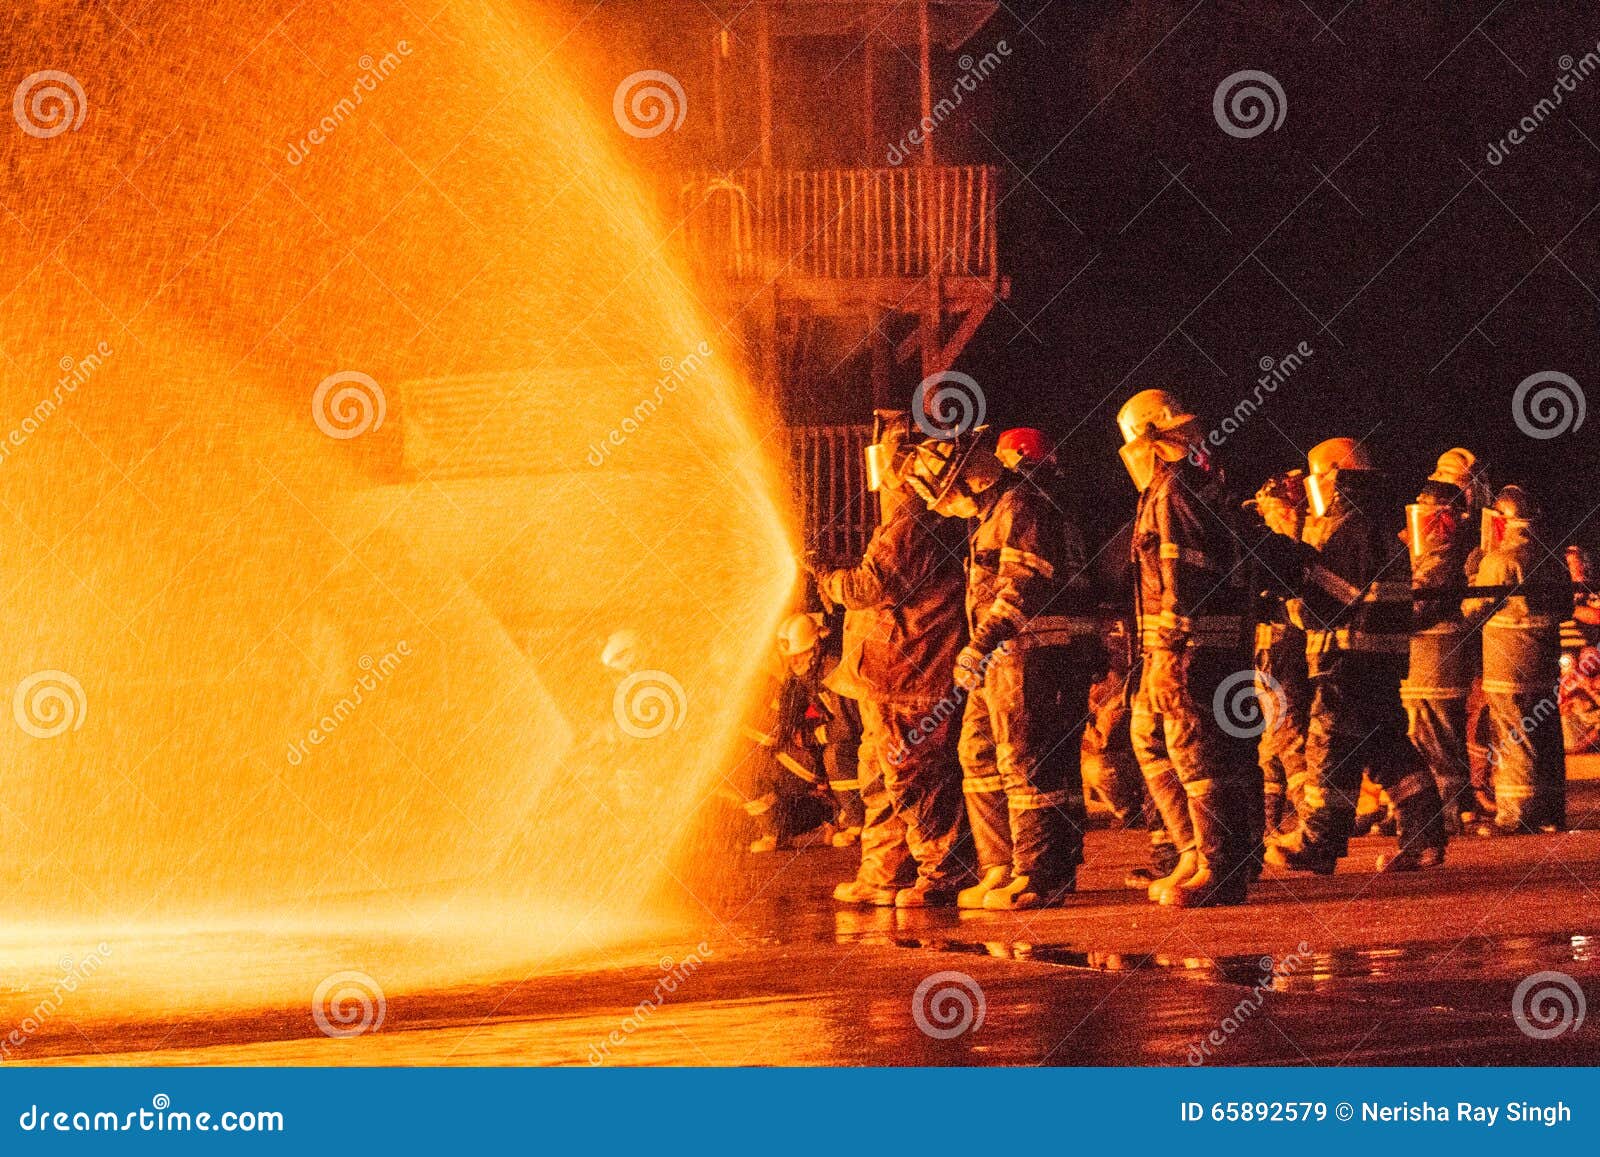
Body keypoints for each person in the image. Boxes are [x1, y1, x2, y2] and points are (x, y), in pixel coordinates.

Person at [905, 427, 1105, 909]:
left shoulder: (1020, 507)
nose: (942, 508)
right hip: (1005, 658)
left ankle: (1041, 873)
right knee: (978, 752)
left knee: (1030, 762)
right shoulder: (997, 511)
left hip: (1035, 654)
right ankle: (1002, 865)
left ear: (966, 481)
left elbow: (1022, 586)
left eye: (944, 496)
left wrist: (981, 643)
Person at [1265, 437, 1449, 875]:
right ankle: (1425, 839)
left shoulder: (1351, 528)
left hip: (1346, 660)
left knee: (1329, 748)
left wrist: (1288, 595)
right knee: (1388, 750)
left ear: (1332, 475)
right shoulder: (1375, 521)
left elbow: (1323, 604)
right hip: (1377, 660)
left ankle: (1318, 842)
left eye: (1315, 476)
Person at [813, 411, 971, 907]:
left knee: (913, 773)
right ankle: (884, 871)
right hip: (887, 673)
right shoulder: (906, 517)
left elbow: (870, 585)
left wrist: (824, 579)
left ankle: (942, 870)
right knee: (879, 776)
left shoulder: (910, 519)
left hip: (911, 670)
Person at [1115, 389, 1255, 908]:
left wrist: (1172, 643)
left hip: (1184, 644)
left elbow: (1179, 572)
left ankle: (1217, 869)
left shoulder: (1172, 489)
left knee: (1195, 748)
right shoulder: (1197, 485)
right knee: (1151, 737)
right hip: (1184, 643)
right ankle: (1194, 852)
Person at [1464, 485, 1572, 834]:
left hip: (1507, 664)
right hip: (1544, 662)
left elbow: (1476, 610)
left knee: (1513, 736)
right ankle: (1551, 811)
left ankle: (1516, 813)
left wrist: (1471, 577)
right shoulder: (1552, 558)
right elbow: (1566, 608)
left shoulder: (1499, 560)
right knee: (1545, 734)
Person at [1402, 449, 1487, 832]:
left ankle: (1449, 811)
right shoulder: (1426, 549)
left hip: (1440, 652)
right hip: (1426, 657)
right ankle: (1443, 808)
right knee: (1427, 735)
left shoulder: (1456, 547)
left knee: (1439, 737)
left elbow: (1424, 601)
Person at [1243, 470, 1313, 839]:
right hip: (1271, 649)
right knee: (1270, 742)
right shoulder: (1290, 542)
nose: (1265, 513)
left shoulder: (1289, 544)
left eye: (1271, 506)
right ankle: (1269, 825)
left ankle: (1309, 823)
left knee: (1288, 737)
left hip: (1282, 649)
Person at [772, 613, 865, 846]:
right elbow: (802, 712)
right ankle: (833, 815)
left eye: (799, 655)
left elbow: (848, 727)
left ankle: (858, 822)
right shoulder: (807, 673)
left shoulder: (833, 668)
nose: (795, 663)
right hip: (835, 737)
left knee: (835, 755)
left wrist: (811, 736)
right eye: (791, 658)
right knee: (788, 755)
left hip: (862, 739)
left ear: (815, 646)